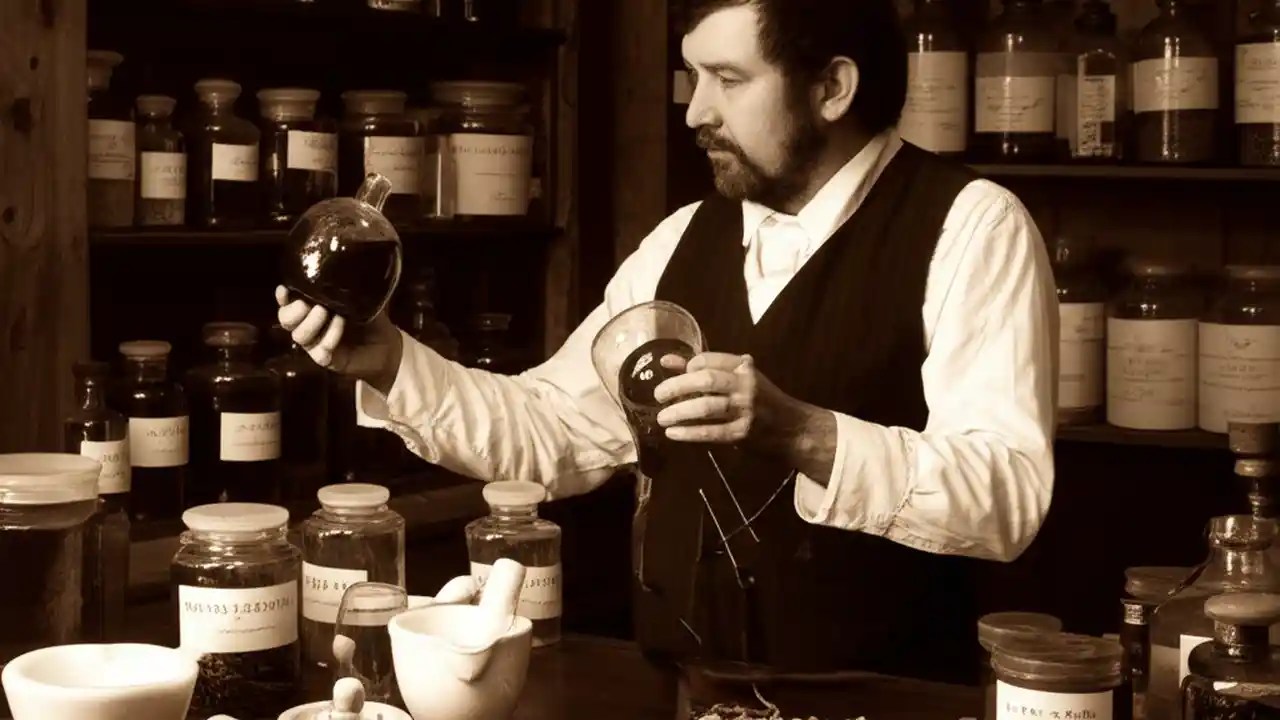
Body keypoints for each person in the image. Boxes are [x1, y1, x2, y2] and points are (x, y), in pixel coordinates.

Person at [278, 0, 1057, 685]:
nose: (694, 112)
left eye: (729, 78)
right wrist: (391, 361)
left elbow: (1008, 495)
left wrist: (807, 434)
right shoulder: (682, 239)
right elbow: (554, 428)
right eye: (693, 77)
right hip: (684, 689)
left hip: (886, 697)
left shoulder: (971, 227)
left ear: (832, 87)